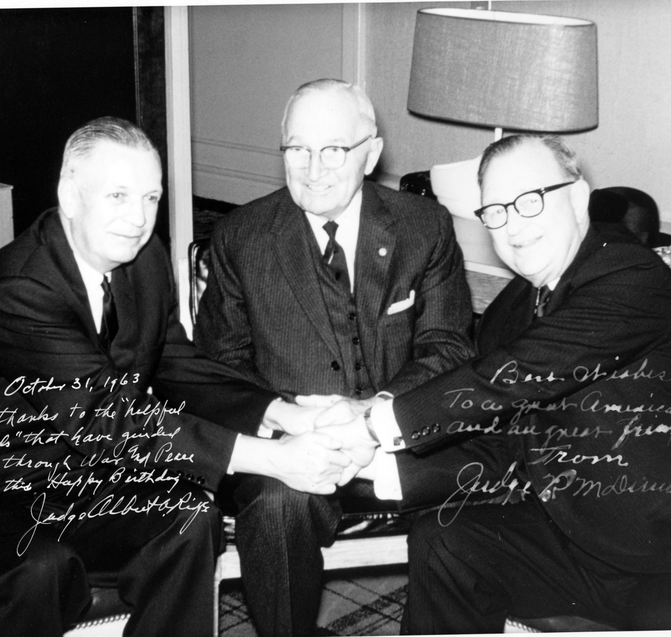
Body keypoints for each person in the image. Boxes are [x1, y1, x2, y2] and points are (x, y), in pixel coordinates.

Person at [0, 117, 353, 637]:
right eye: (118, 195)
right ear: (70, 196)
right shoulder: (20, 287)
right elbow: (106, 418)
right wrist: (275, 458)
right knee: (42, 570)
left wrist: (283, 413)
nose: (138, 218)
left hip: (84, 484)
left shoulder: (142, 260)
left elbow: (176, 363)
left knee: (190, 518)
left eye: (151, 198)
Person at [315, 134, 671, 631]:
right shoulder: (511, 310)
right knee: (446, 540)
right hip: (570, 540)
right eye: (496, 211)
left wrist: (370, 424)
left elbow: (512, 377)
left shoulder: (632, 275)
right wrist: (369, 465)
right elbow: (502, 442)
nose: (513, 225)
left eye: (529, 201)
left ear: (576, 197)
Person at [194, 78, 474, 636]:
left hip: (399, 438)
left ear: (370, 154)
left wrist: (372, 417)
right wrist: (289, 427)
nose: (313, 167)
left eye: (334, 149)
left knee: (500, 470)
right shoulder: (241, 237)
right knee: (275, 505)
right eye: (298, 148)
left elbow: (449, 348)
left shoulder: (425, 227)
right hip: (291, 451)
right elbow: (218, 368)